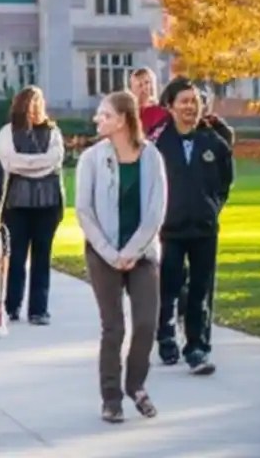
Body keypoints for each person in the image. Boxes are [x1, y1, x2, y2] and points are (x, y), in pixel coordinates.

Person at [75, 91, 167, 423]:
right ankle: (111, 398)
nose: (97, 120)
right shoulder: (92, 159)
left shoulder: (151, 157)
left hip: (142, 254)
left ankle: (136, 384)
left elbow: (156, 211)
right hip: (103, 254)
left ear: (124, 119)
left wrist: (131, 252)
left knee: (146, 322)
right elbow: (84, 212)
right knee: (113, 327)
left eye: (105, 115)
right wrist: (112, 254)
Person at [152, 77, 234, 375]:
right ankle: (165, 336)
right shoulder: (158, 143)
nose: (190, 107)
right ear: (170, 106)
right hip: (168, 230)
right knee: (168, 287)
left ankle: (198, 348)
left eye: (194, 101)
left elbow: (224, 183)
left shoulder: (214, 143)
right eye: (184, 101)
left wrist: (211, 208)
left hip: (204, 229)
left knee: (201, 290)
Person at [0, 86, 66, 325]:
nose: (36, 108)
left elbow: (55, 159)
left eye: (39, 103)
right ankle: (11, 306)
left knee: (42, 257)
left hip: (47, 203)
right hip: (17, 204)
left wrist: (27, 164)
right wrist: (37, 164)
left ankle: (38, 309)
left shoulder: (52, 131)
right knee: (15, 257)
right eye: (31, 103)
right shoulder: (8, 132)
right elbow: (9, 161)